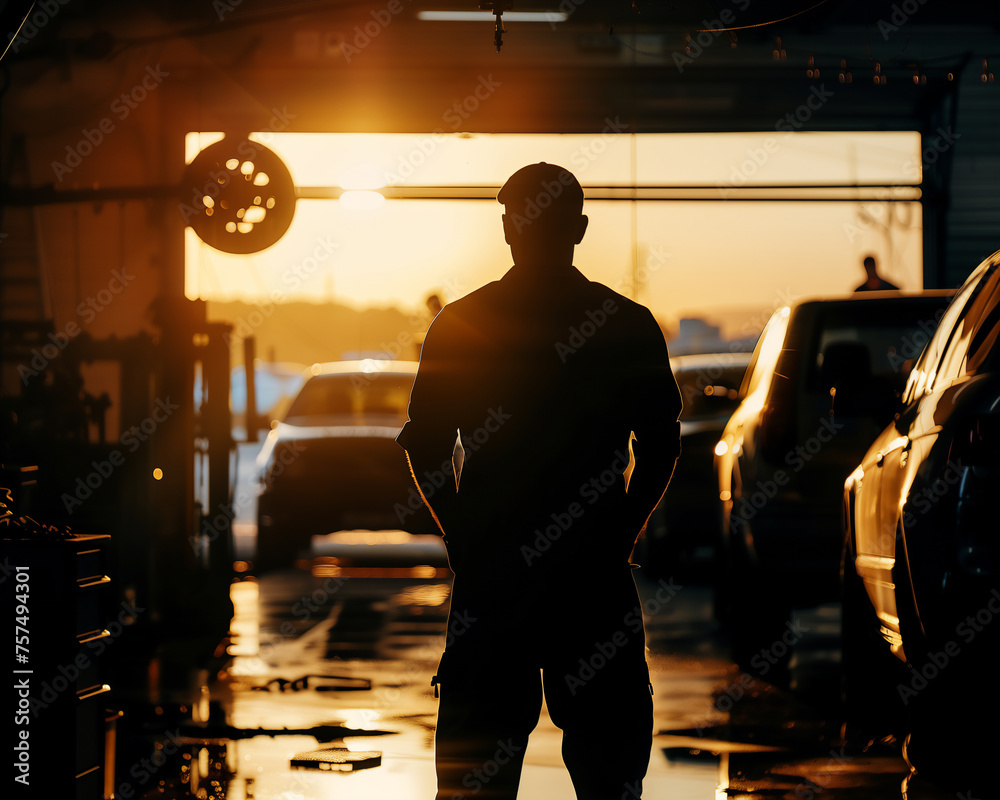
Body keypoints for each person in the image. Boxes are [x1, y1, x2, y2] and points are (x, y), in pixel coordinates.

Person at [396, 162, 682, 800]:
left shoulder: (465, 325)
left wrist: (463, 541)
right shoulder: (625, 323)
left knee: (475, 781)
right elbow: (660, 442)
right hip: (592, 576)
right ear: (579, 228)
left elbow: (426, 443)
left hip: (495, 575)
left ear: (507, 230)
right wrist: (623, 533)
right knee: (611, 778)